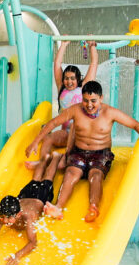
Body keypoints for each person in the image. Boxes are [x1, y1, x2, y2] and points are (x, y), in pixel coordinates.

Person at [26, 81, 139, 223]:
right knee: (70, 174)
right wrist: (35, 142)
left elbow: (135, 125)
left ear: (101, 98)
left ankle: (94, 207)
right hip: (79, 152)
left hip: (101, 154)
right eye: (86, 101)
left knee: (96, 175)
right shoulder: (75, 110)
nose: (89, 105)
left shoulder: (110, 113)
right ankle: (58, 207)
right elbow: (53, 123)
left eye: (93, 101)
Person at [26, 40, 99, 169]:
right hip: (65, 133)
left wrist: (92, 46)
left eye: (72, 79)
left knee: (75, 126)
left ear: (78, 79)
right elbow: (57, 64)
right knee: (49, 138)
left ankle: (66, 159)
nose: (69, 81)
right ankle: (43, 162)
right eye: (66, 78)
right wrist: (63, 44)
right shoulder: (62, 88)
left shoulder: (83, 89)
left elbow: (93, 64)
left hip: (81, 135)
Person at [0, 151, 62, 265]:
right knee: (35, 180)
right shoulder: (4, 213)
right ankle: (44, 159)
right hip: (24, 196)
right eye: (4, 217)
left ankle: (55, 157)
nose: (5, 221)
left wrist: (18, 255)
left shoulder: (28, 217)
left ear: (19, 214)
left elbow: (33, 242)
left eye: (9, 218)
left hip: (39, 198)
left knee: (47, 179)